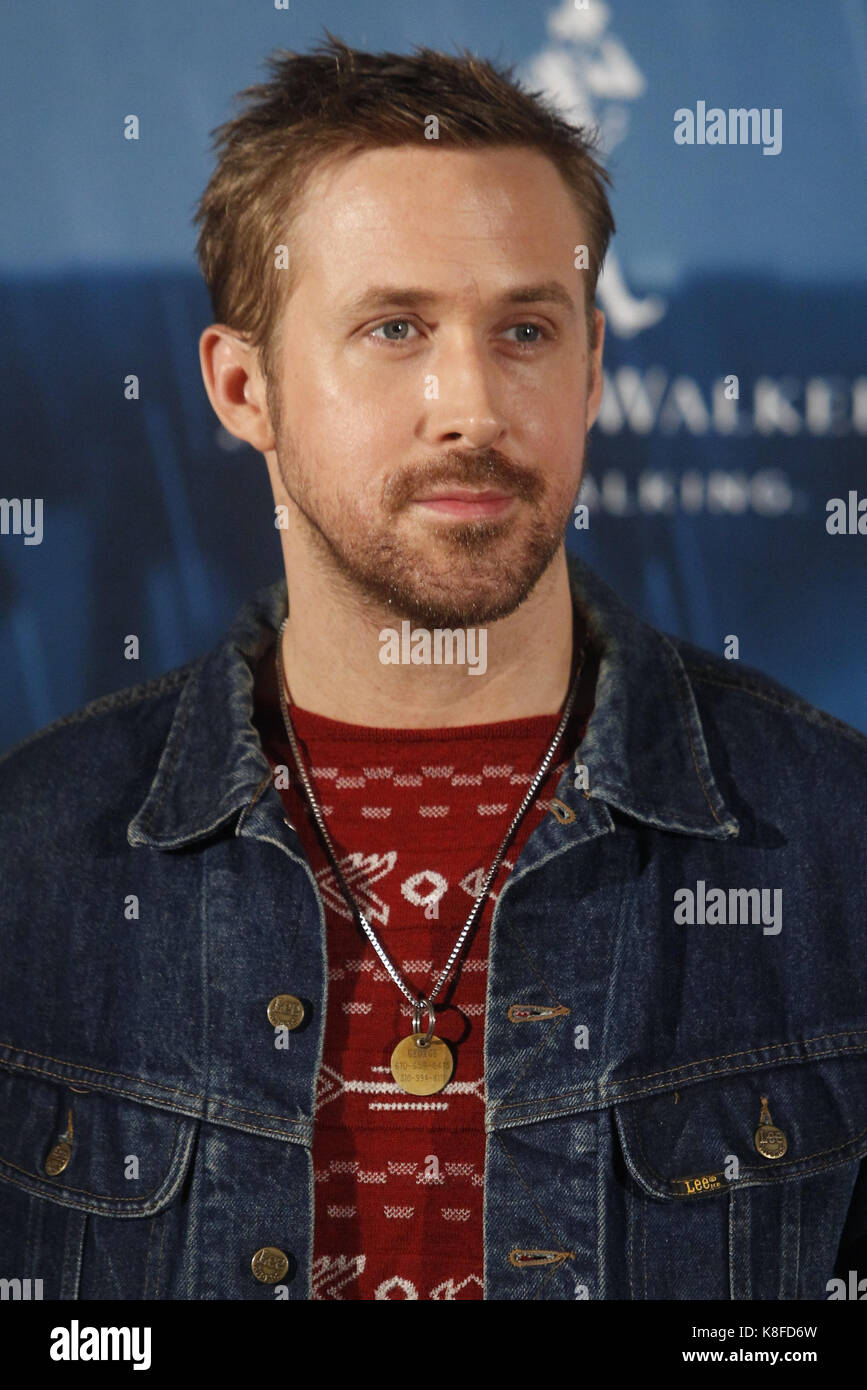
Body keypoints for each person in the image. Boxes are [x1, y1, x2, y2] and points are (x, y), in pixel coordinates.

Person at [0, 32, 864, 1303]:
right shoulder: (33, 853)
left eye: (524, 328)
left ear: (590, 372)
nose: (470, 403)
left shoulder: (835, 844)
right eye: (395, 326)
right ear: (246, 388)